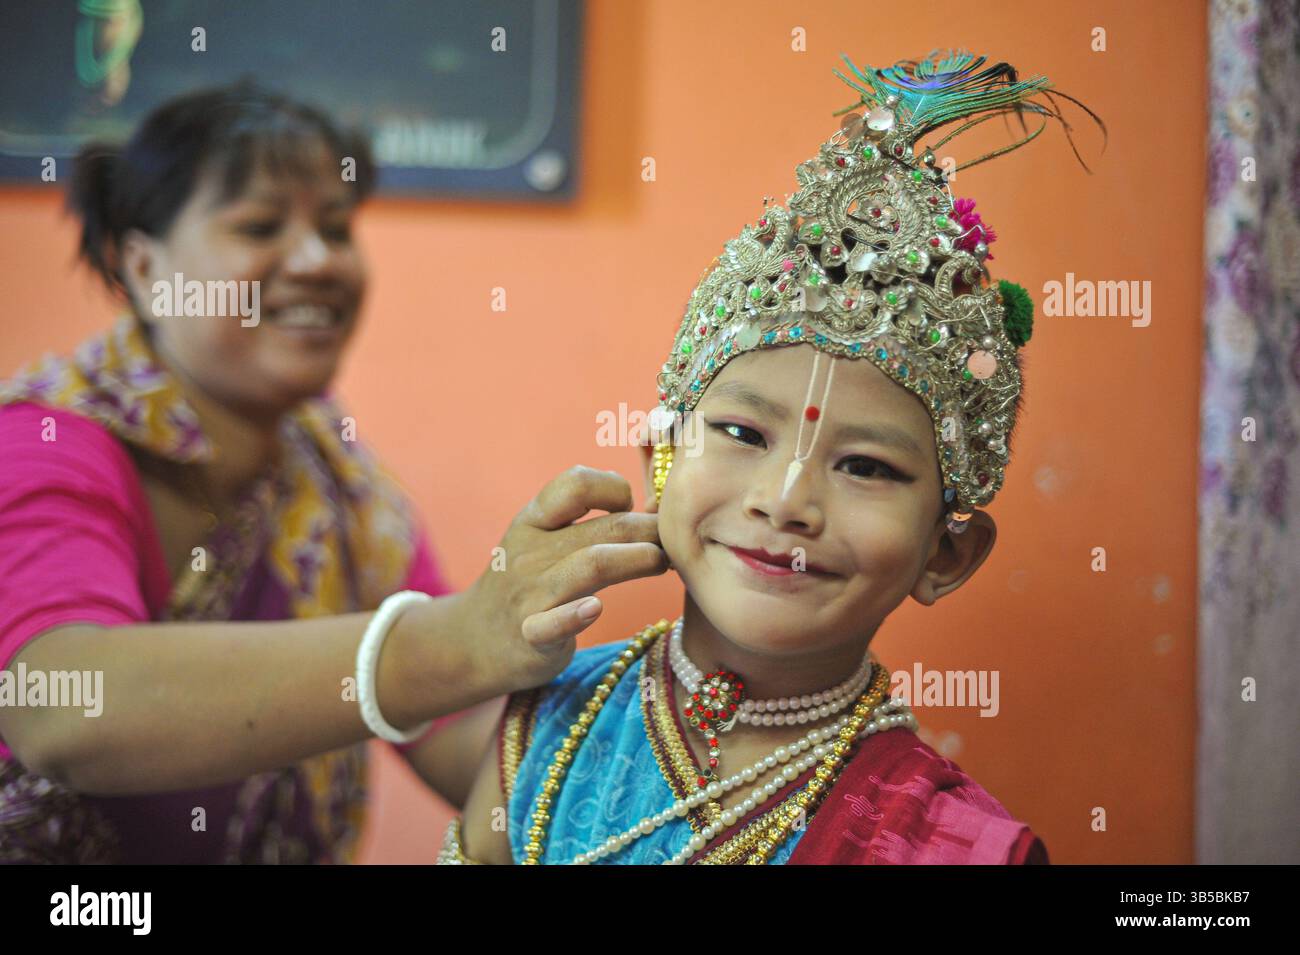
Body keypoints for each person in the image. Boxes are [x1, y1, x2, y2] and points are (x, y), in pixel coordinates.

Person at [435, 51, 1105, 864]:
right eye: (745, 435)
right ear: (659, 462)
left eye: (865, 467)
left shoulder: (954, 846)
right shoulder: (550, 720)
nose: (785, 500)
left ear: (947, 552)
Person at [0, 83, 668, 863]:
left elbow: (461, 735)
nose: (318, 260)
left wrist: (700, 746)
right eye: (260, 225)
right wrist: (457, 639)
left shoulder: (340, 491)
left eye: (336, 228)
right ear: (145, 266)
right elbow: (64, 706)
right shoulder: (47, 440)